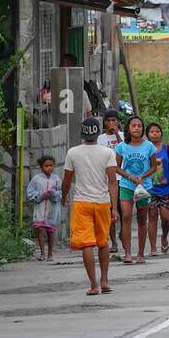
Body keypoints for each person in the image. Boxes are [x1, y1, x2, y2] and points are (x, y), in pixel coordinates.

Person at [61, 117, 118, 296]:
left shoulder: (73, 152)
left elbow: (67, 181)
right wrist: (114, 207)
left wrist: (63, 197)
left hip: (82, 203)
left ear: (82, 133)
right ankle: (105, 281)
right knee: (103, 242)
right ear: (98, 132)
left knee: (87, 243)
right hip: (102, 202)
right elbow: (112, 182)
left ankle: (93, 285)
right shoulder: (107, 153)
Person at [115, 115, 158, 264]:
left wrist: (143, 176)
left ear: (142, 129)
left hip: (143, 187)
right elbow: (116, 167)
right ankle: (127, 253)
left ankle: (140, 254)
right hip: (126, 185)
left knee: (141, 219)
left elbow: (154, 166)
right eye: (133, 125)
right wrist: (129, 176)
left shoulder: (149, 146)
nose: (136, 128)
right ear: (128, 128)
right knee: (126, 216)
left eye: (139, 126)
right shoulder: (121, 147)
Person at [146, 122, 169, 255]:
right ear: (147, 134)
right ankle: (153, 248)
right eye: (152, 132)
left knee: (166, 218)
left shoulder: (168, 150)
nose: (155, 134)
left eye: (157, 131)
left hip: (166, 189)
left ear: (161, 134)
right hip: (150, 189)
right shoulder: (144, 149)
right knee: (152, 217)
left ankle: (164, 237)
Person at [26, 155, 63, 261]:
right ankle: (42, 253)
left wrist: (53, 194)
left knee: (51, 232)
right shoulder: (36, 179)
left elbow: (61, 192)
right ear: (41, 167)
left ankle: (50, 254)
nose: (49, 168)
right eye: (46, 166)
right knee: (40, 230)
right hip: (40, 209)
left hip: (52, 210)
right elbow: (30, 192)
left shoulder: (56, 179)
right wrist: (41, 195)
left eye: (51, 165)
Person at [99, 109, 122, 253]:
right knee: (110, 214)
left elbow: (124, 150)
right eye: (109, 121)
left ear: (118, 122)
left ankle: (122, 236)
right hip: (107, 180)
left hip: (122, 179)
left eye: (114, 120)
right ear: (105, 122)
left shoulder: (124, 136)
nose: (111, 123)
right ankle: (113, 242)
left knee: (123, 212)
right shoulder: (101, 139)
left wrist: (117, 135)